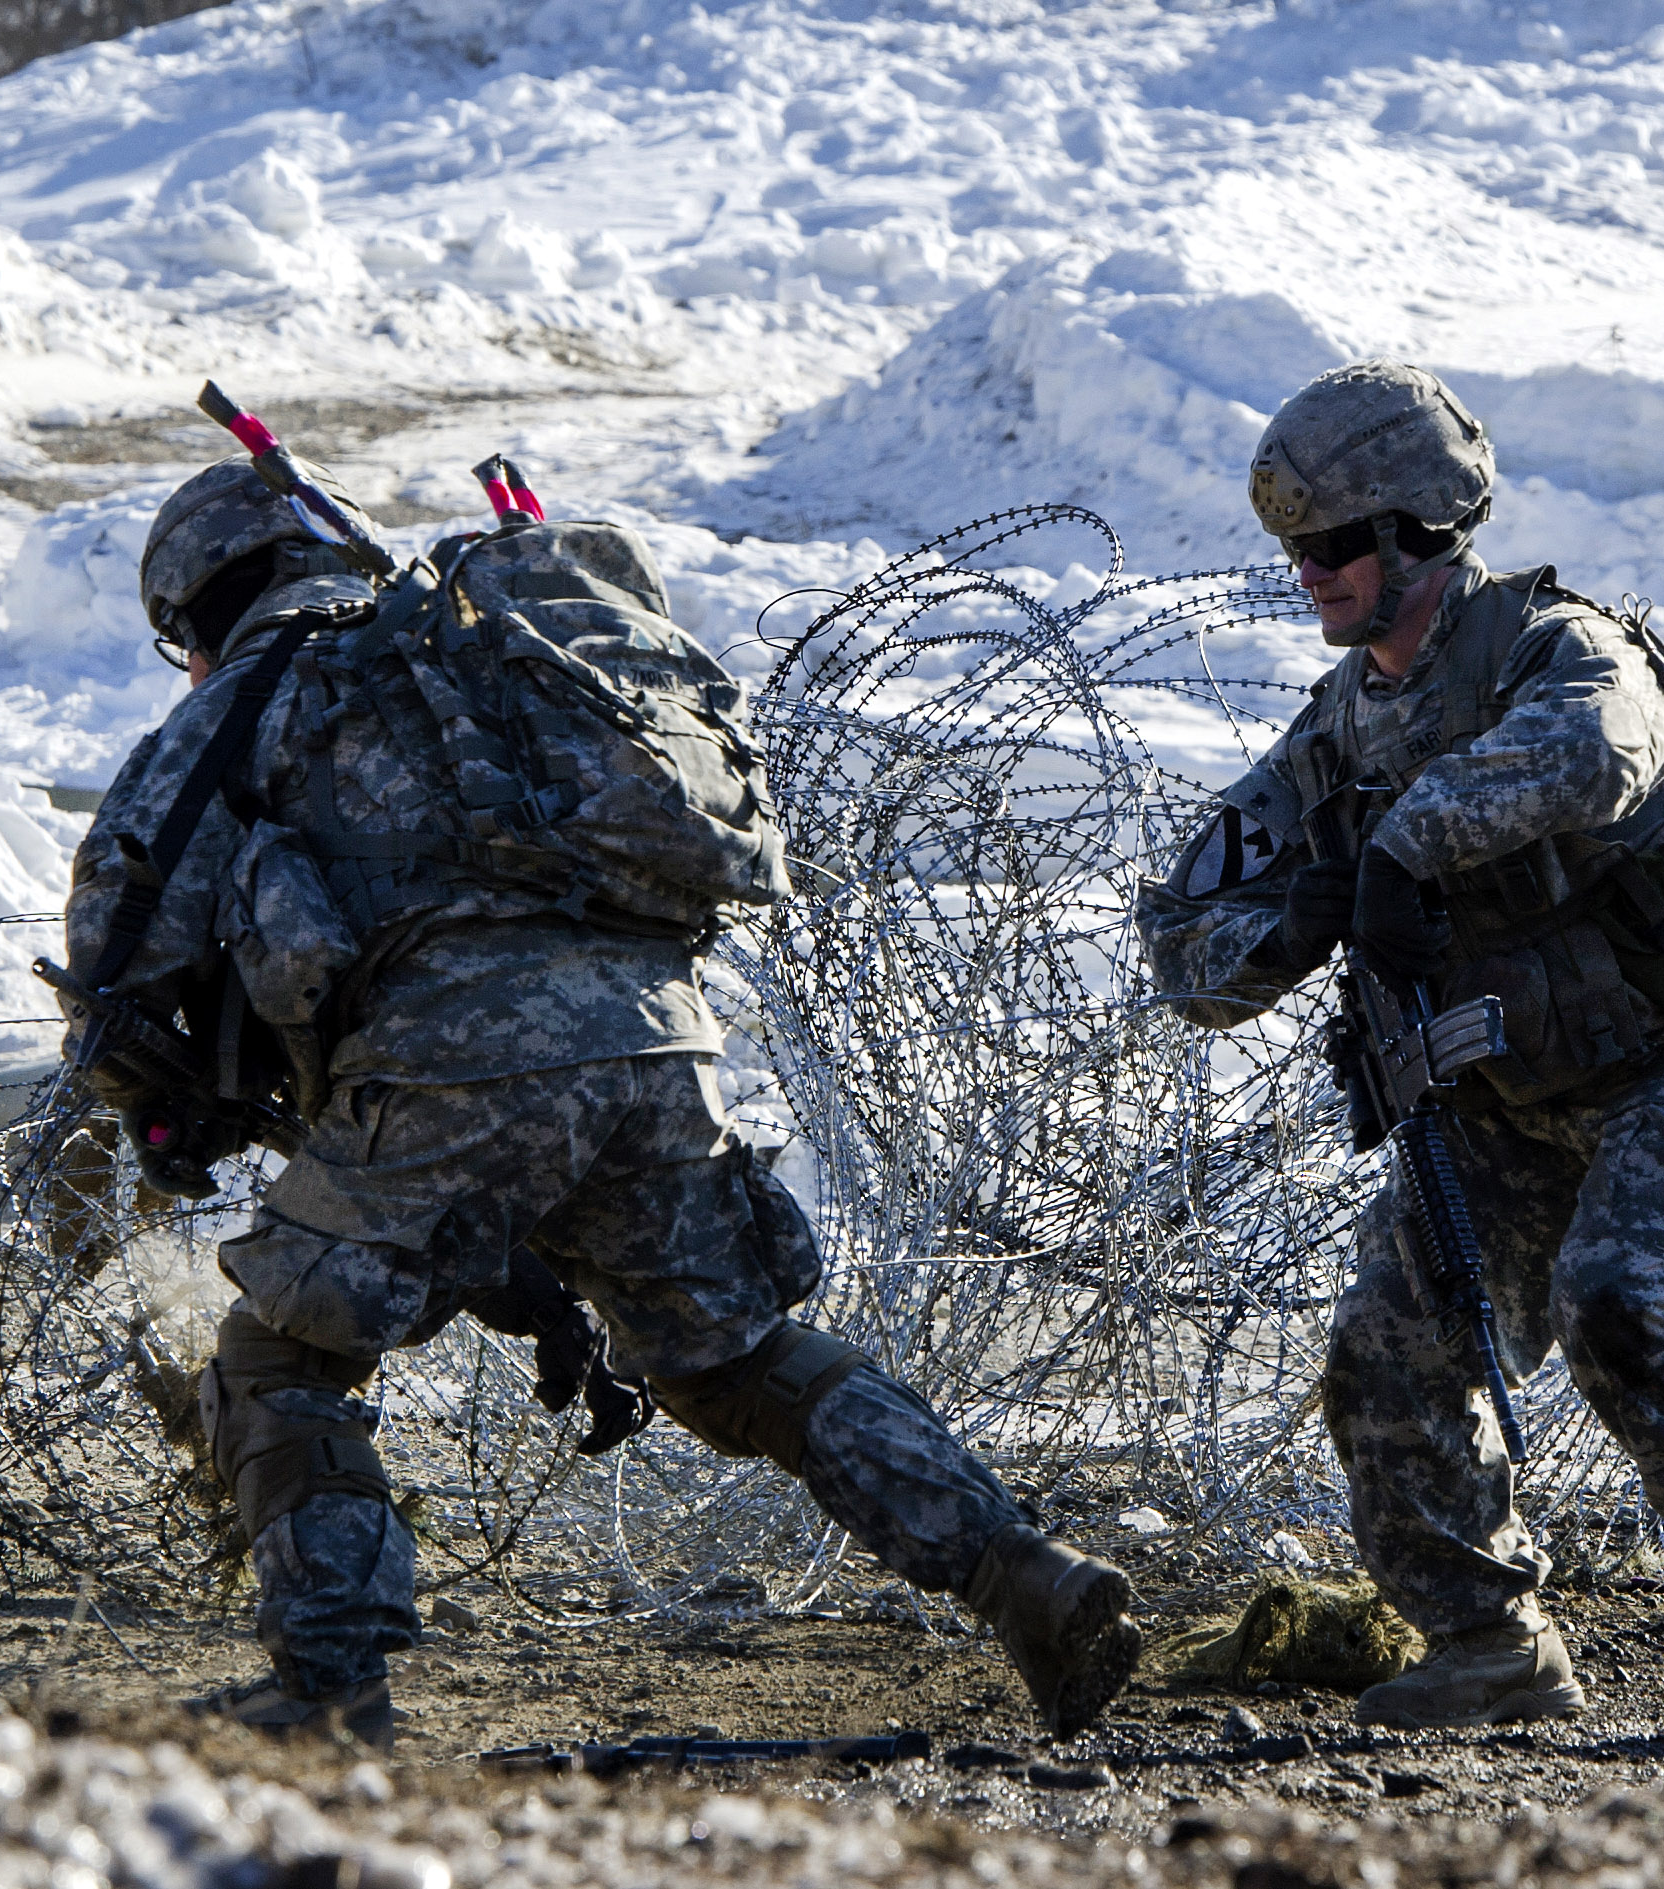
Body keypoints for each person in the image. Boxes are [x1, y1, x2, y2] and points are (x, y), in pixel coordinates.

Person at [58, 444, 1143, 1748]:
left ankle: (328, 1685)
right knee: (738, 1362)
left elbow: (117, 948)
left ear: (196, 610)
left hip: (455, 1061)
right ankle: (1029, 1577)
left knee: (284, 1357)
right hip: (659, 1047)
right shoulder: (483, 652)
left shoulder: (259, 688)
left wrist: (168, 1117)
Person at [1135, 361, 1664, 1752]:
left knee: (1627, 1309)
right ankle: (1490, 1639)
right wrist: (1284, 922)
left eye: (1336, 541)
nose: (1310, 571)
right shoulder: (1340, 728)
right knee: (1387, 1347)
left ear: (1421, 530)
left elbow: (1601, 754)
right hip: (1506, 1095)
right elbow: (1185, 924)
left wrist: (1411, 843)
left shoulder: (1559, 648)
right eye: (1296, 547)